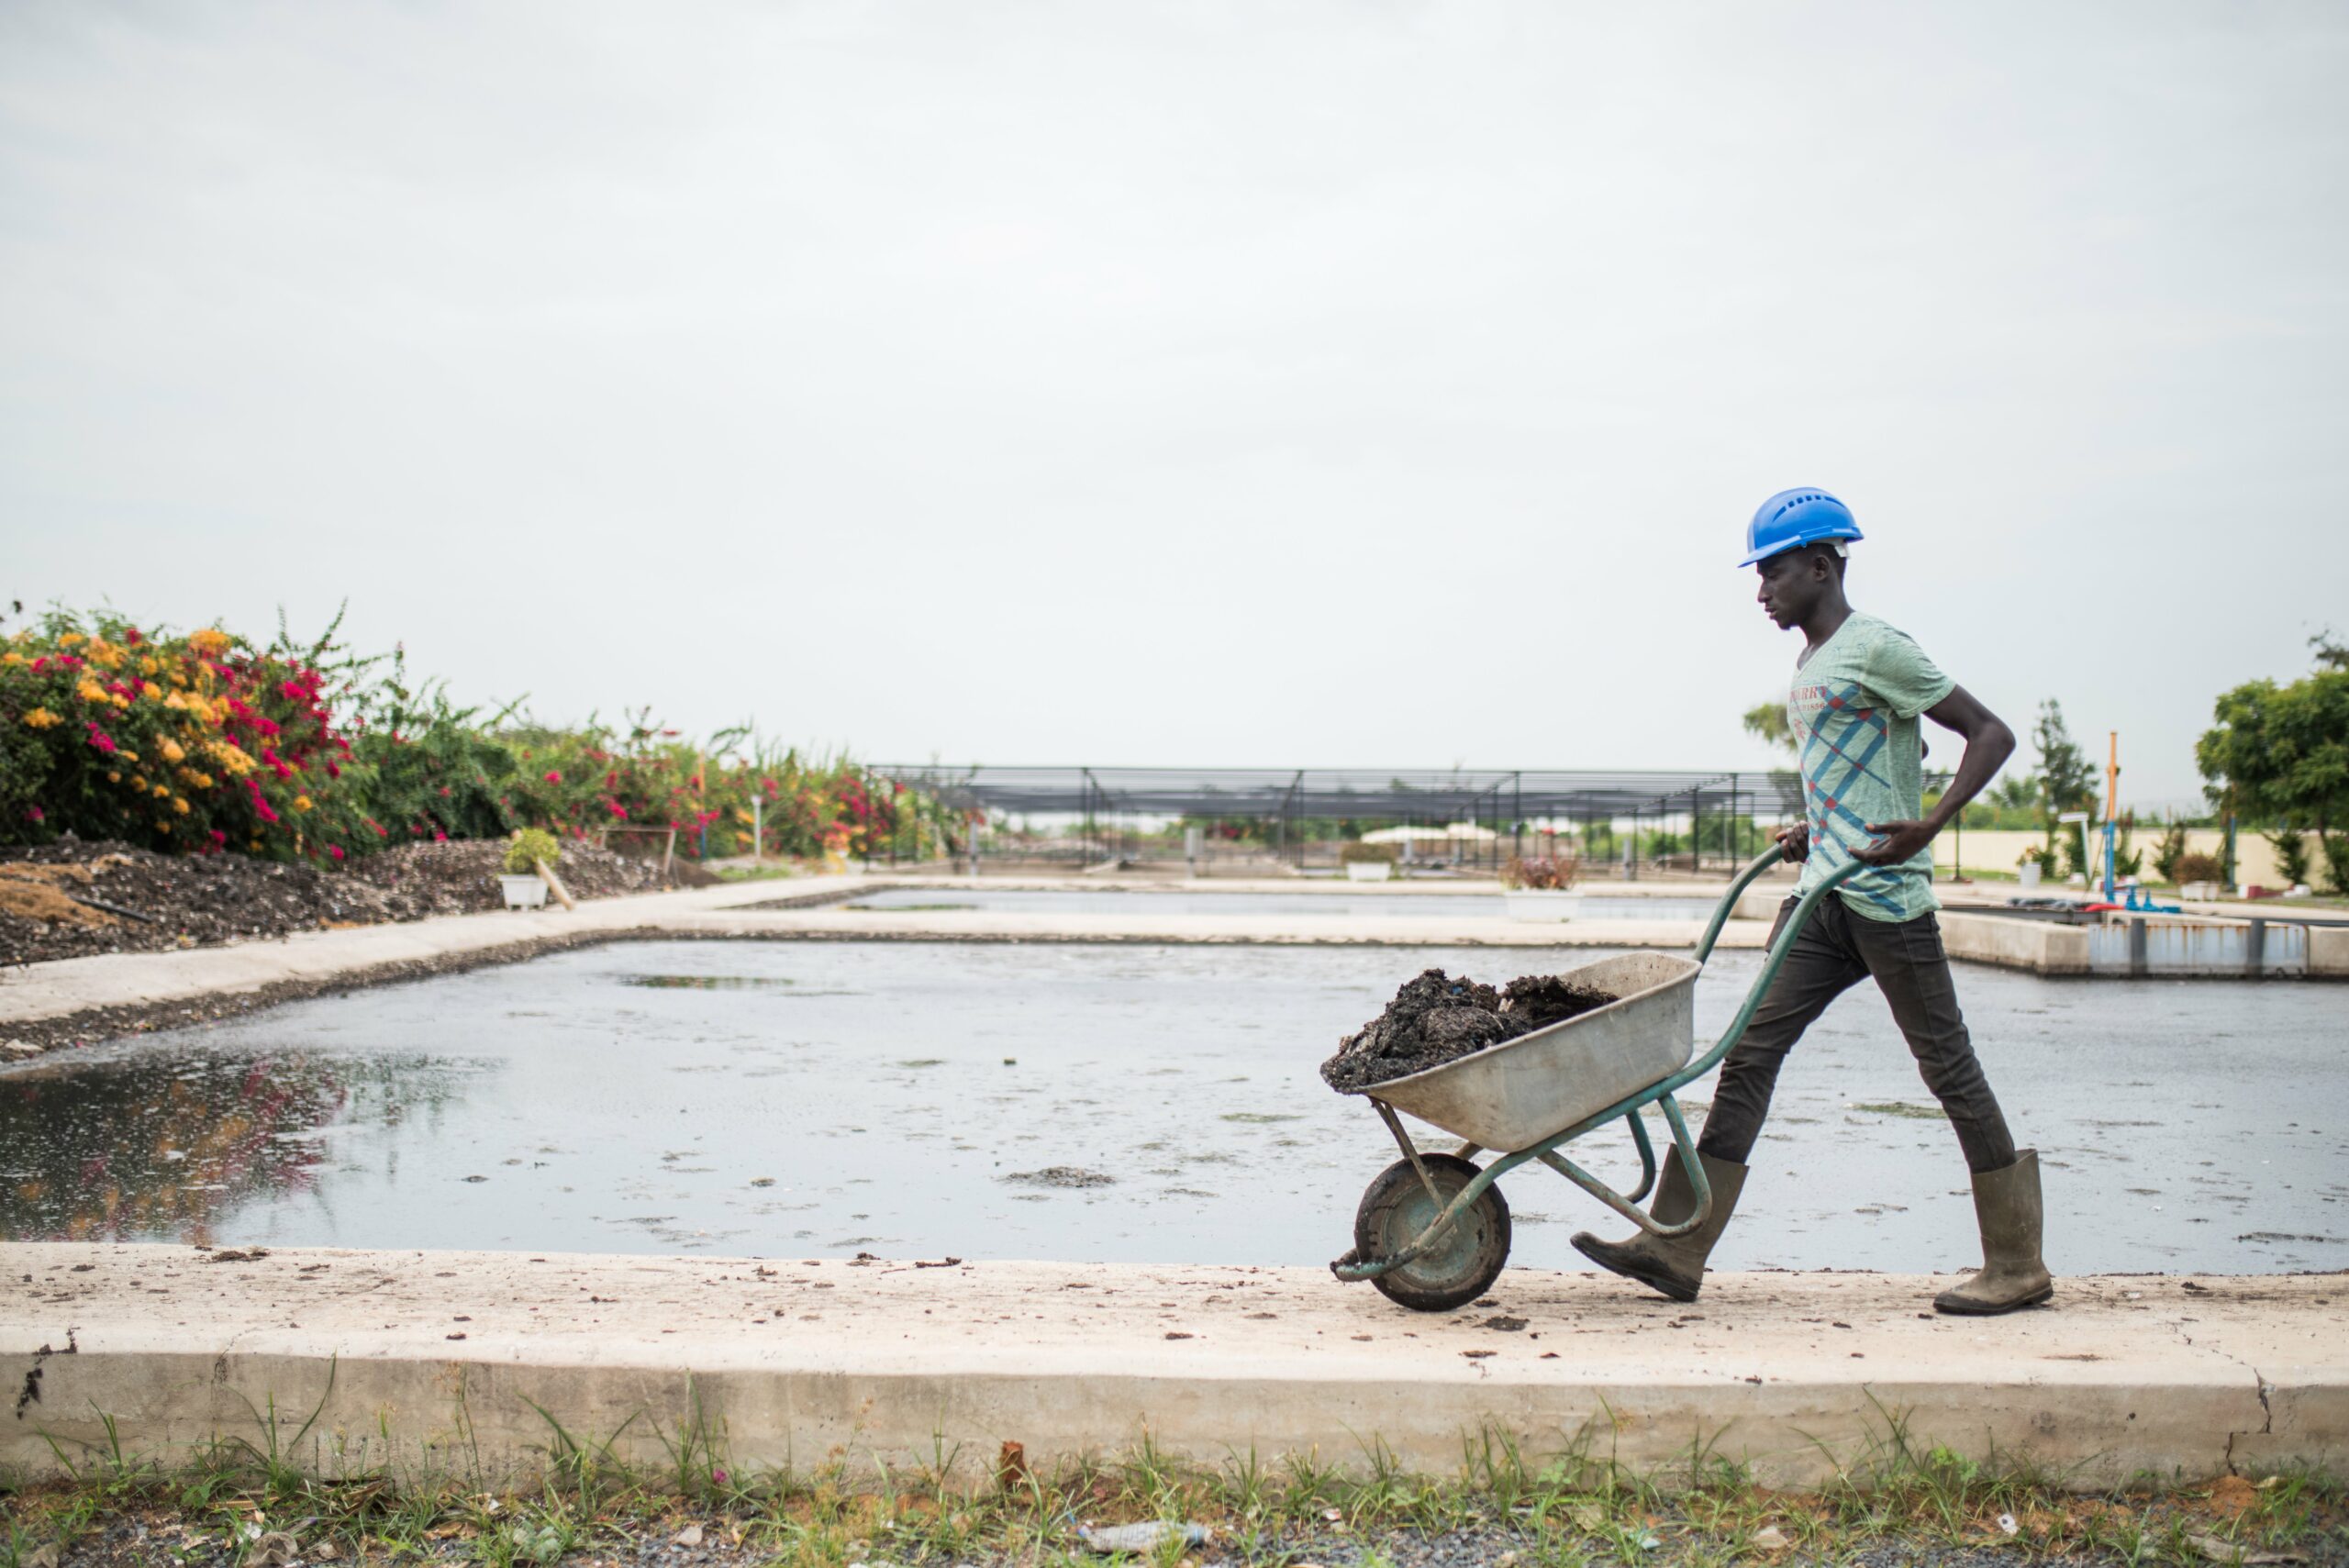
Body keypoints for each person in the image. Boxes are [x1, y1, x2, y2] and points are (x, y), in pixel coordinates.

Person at [1572, 487, 2054, 1317]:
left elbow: (1990, 731)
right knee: (1748, 1054)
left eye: (1774, 573)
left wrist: (1929, 824)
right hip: (1822, 896)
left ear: (1823, 566)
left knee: (1947, 1068)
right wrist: (1814, 826)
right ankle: (1677, 1246)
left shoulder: (1877, 647)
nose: (1761, 593)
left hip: (1886, 899)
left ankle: (2017, 1263)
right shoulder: (1811, 663)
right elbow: (1851, 769)